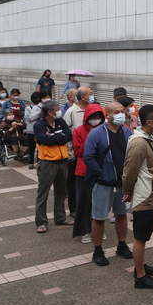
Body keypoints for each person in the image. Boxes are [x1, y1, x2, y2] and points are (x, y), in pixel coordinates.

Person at [84, 102, 134, 266]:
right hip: (103, 183)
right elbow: (88, 157)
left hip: (122, 183)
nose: (121, 114)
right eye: (117, 112)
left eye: (122, 111)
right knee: (99, 217)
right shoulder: (96, 133)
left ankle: (122, 245)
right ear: (108, 115)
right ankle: (98, 250)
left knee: (122, 214)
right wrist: (102, 174)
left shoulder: (126, 132)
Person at [122, 105, 153, 288]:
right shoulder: (139, 143)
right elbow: (129, 171)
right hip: (145, 196)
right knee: (140, 237)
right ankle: (140, 277)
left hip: (151, 194)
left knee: (144, 236)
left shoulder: (149, 138)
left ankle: (141, 266)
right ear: (149, 121)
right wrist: (127, 191)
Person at [33, 100, 73, 233]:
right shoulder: (39, 125)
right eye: (57, 109)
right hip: (47, 163)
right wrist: (59, 137)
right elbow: (45, 140)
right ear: (50, 112)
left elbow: (68, 135)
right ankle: (41, 222)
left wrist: (54, 137)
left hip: (63, 161)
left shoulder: (60, 121)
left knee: (61, 192)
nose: (59, 111)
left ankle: (60, 217)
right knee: (43, 193)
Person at [71, 103, 104, 243]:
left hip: (100, 170)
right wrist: (91, 138)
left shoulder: (104, 129)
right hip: (83, 171)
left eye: (98, 117)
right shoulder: (79, 131)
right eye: (93, 117)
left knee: (99, 202)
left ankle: (98, 229)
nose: (95, 120)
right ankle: (84, 230)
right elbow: (78, 151)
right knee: (84, 202)